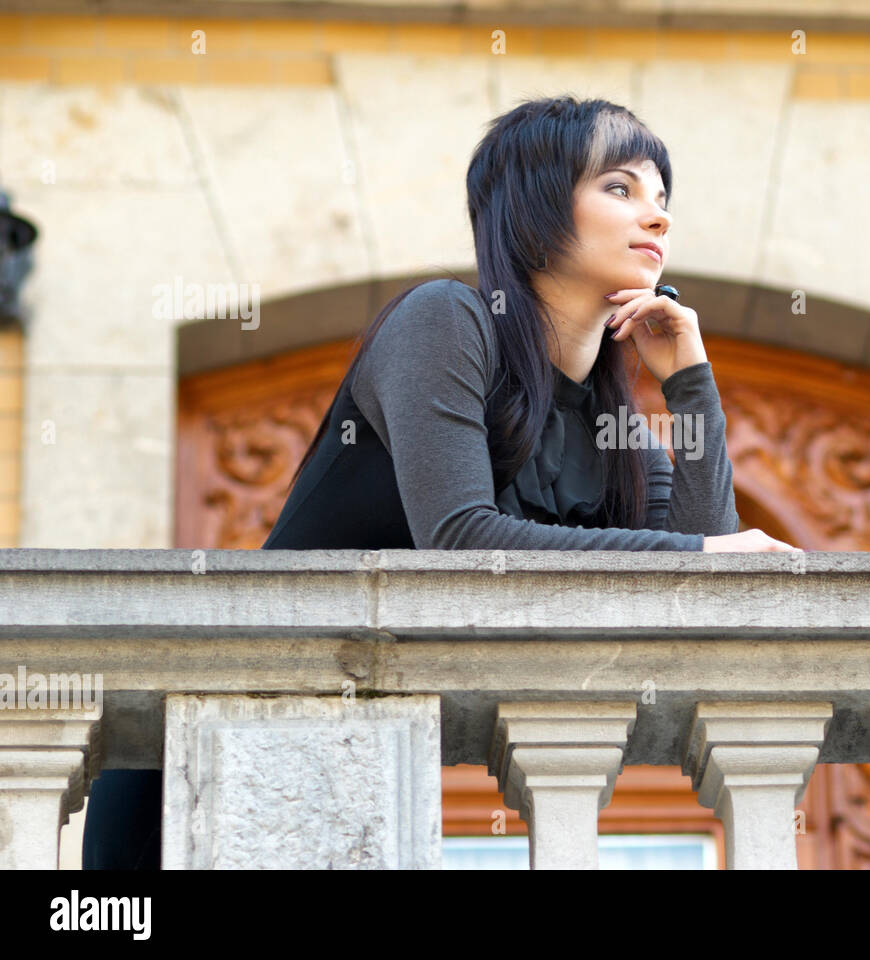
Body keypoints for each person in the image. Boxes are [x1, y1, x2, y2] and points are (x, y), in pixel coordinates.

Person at [83, 95, 800, 869]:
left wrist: (690, 382)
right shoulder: (445, 320)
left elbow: (713, 575)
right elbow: (462, 540)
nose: (657, 218)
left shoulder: (610, 428)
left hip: (359, 761)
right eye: (621, 189)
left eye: (663, 199)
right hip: (206, 759)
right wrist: (698, 555)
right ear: (533, 206)